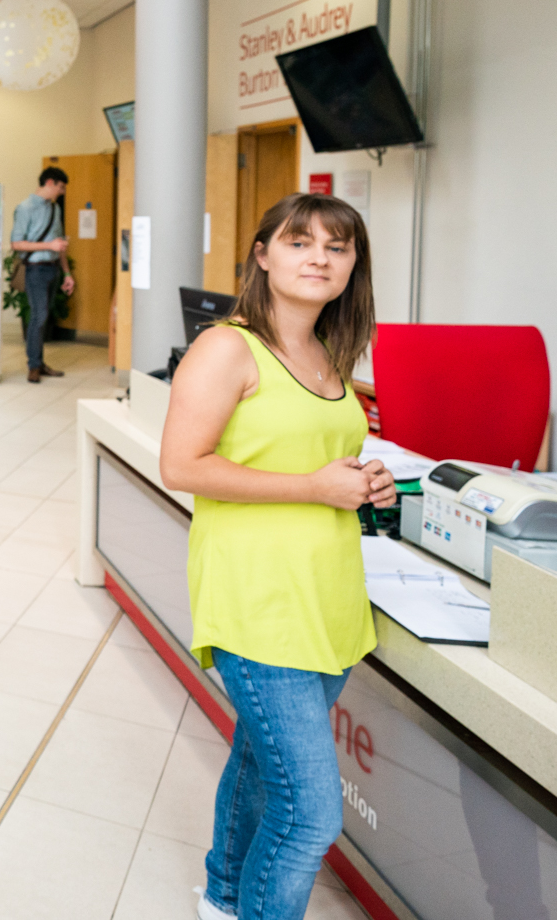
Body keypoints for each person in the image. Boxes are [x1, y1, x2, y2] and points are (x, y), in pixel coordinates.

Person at [159, 194, 395, 920]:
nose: (320, 256)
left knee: (261, 767)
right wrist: (313, 484)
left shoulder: (329, 351)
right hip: (260, 606)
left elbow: (320, 459)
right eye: (300, 241)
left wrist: (364, 480)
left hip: (326, 600)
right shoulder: (228, 347)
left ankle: (226, 898)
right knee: (311, 816)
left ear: (355, 263)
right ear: (262, 254)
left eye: (338, 245)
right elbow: (181, 463)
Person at [10, 165, 73, 384]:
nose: (62, 191)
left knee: (43, 318)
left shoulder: (55, 210)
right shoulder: (25, 208)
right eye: (61, 187)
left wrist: (67, 273)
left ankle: (39, 363)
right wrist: (49, 245)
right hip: (35, 270)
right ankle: (34, 366)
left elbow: (60, 246)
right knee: (39, 316)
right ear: (49, 183)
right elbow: (16, 243)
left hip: (53, 268)